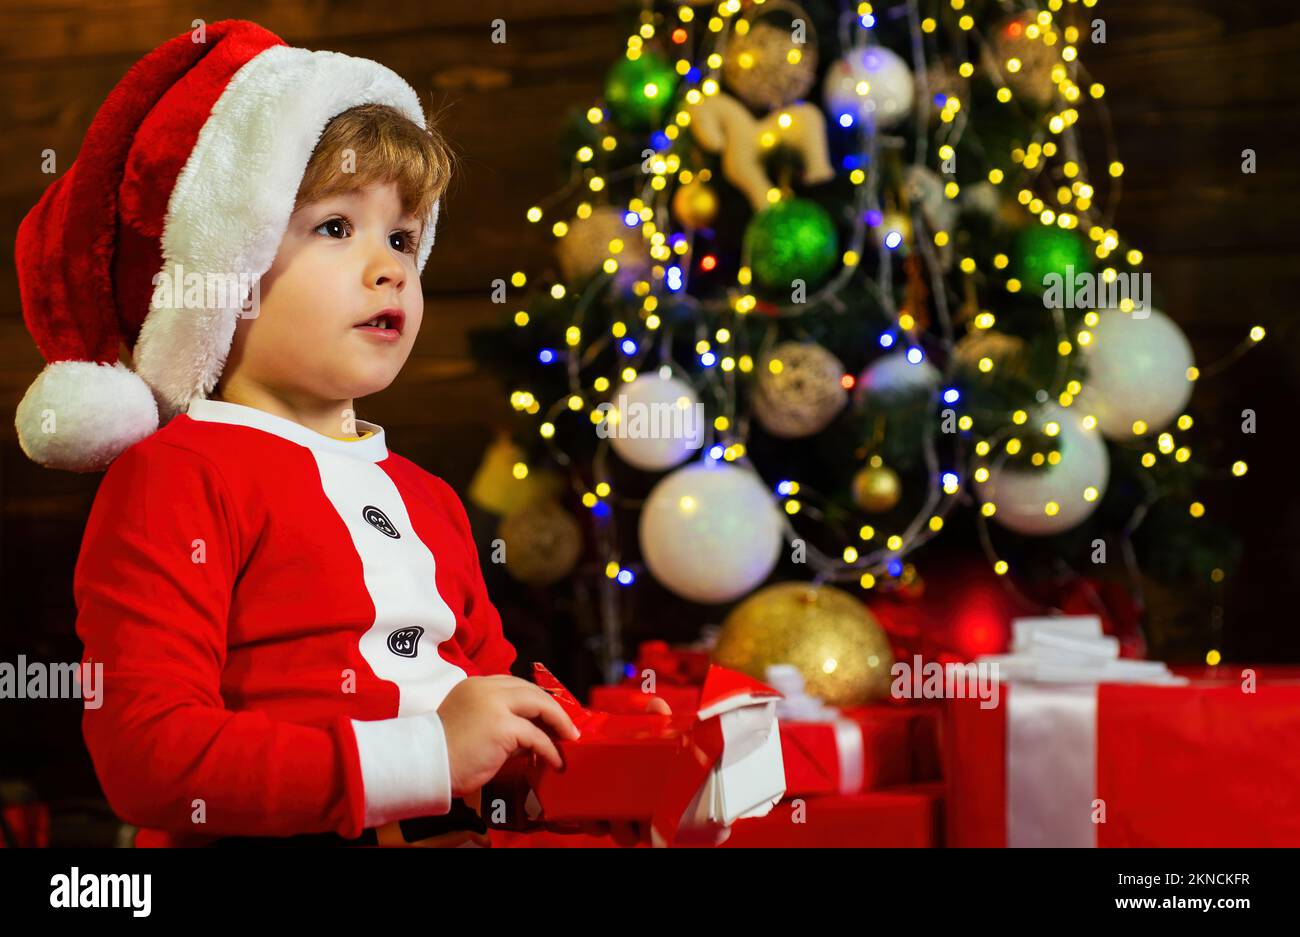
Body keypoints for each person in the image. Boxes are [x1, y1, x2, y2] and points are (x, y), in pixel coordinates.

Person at [13, 19, 663, 848]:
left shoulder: (429, 499)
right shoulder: (177, 475)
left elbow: (487, 712)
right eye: (335, 227)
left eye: (401, 236)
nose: (393, 265)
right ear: (223, 277)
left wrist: (591, 756)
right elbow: (149, 756)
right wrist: (423, 754)